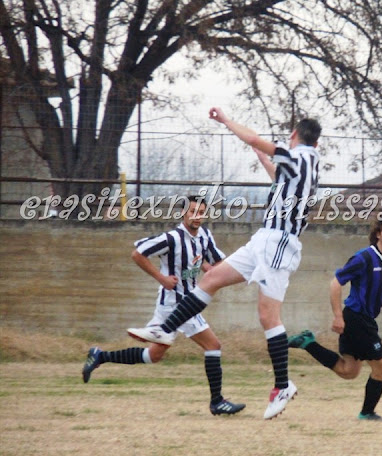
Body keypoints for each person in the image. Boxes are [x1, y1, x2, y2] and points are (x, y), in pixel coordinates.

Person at [127, 109, 321, 420]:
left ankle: (282, 385)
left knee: (268, 315)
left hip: (279, 242)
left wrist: (227, 121)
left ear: (295, 135)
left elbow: (256, 138)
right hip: (265, 239)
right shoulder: (304, 164)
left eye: (289, 137)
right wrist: (259, 153)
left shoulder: (299, 155)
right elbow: (276, 174)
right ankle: (165, 329)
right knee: (212, 277)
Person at [82, 195, 245, 416]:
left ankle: (100, 356)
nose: (197, 216)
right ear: (182, 213)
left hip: (182, 302)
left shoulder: (205, 236)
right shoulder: (172, 238)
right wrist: (161, 278)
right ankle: (217, 402)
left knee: (153, 356)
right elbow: (138, 254)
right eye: (192, 211)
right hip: (178, 303)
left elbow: (217, 262)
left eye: (201, 212)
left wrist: (214, 268)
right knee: (213, 346)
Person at [287, 215, 382, 421]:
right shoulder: (364, 257)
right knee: (381, 367)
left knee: (349, 370)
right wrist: (338, 316)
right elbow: (336, 282)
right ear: (378, 234)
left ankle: (308, 343)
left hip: (365, 320)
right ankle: (367, 413)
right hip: (356, 318)